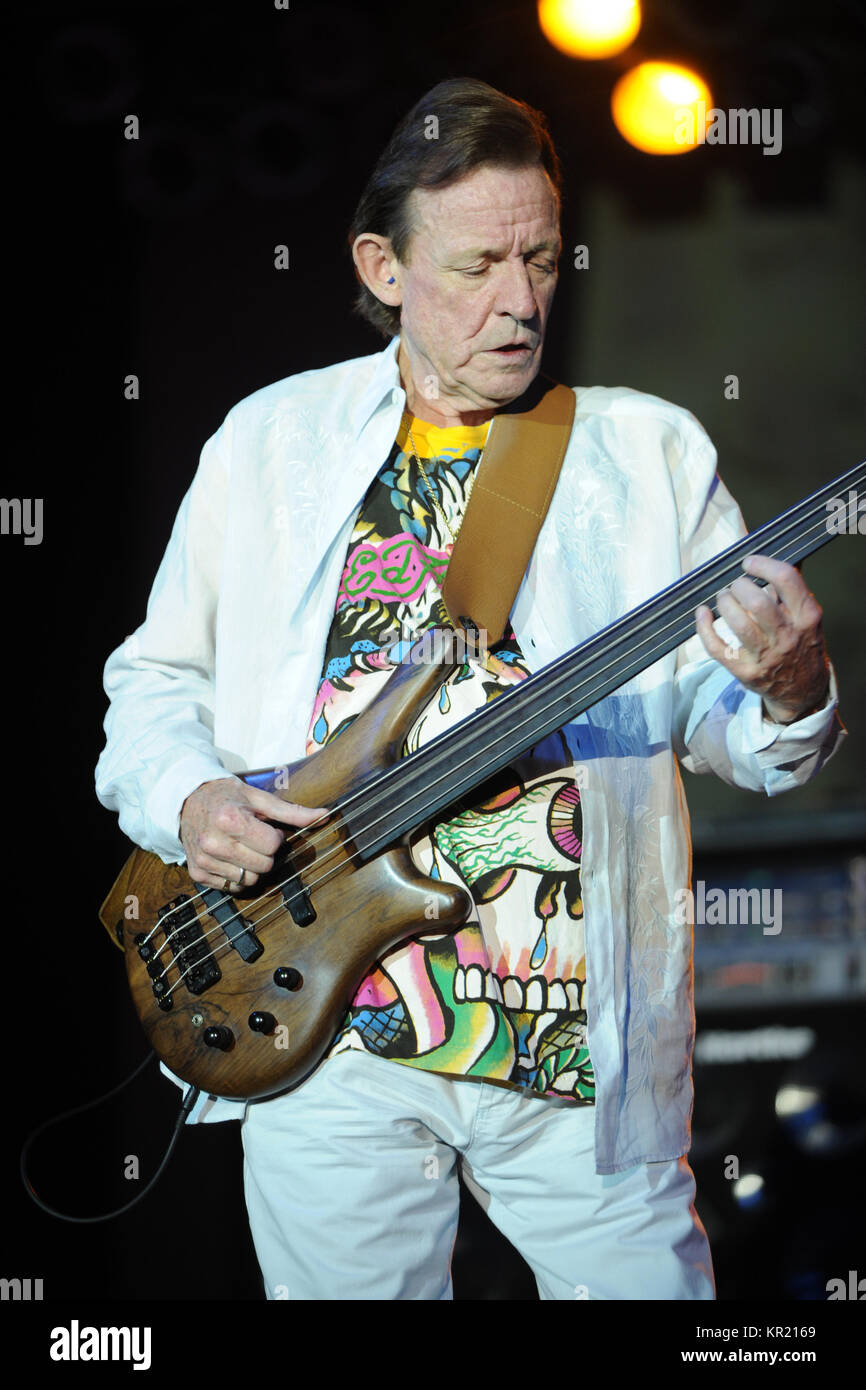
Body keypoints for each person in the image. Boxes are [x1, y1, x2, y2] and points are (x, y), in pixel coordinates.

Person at [95, 78, 845, 1301]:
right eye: (478, 263)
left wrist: (787, 682)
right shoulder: (267, 442)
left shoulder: (643, 449)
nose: (519, 299)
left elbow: (739, 740)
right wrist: (189, 801)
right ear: (381, 267)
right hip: (323, 1026)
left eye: (541, 257)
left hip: (570, 1032)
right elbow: (156, 679)